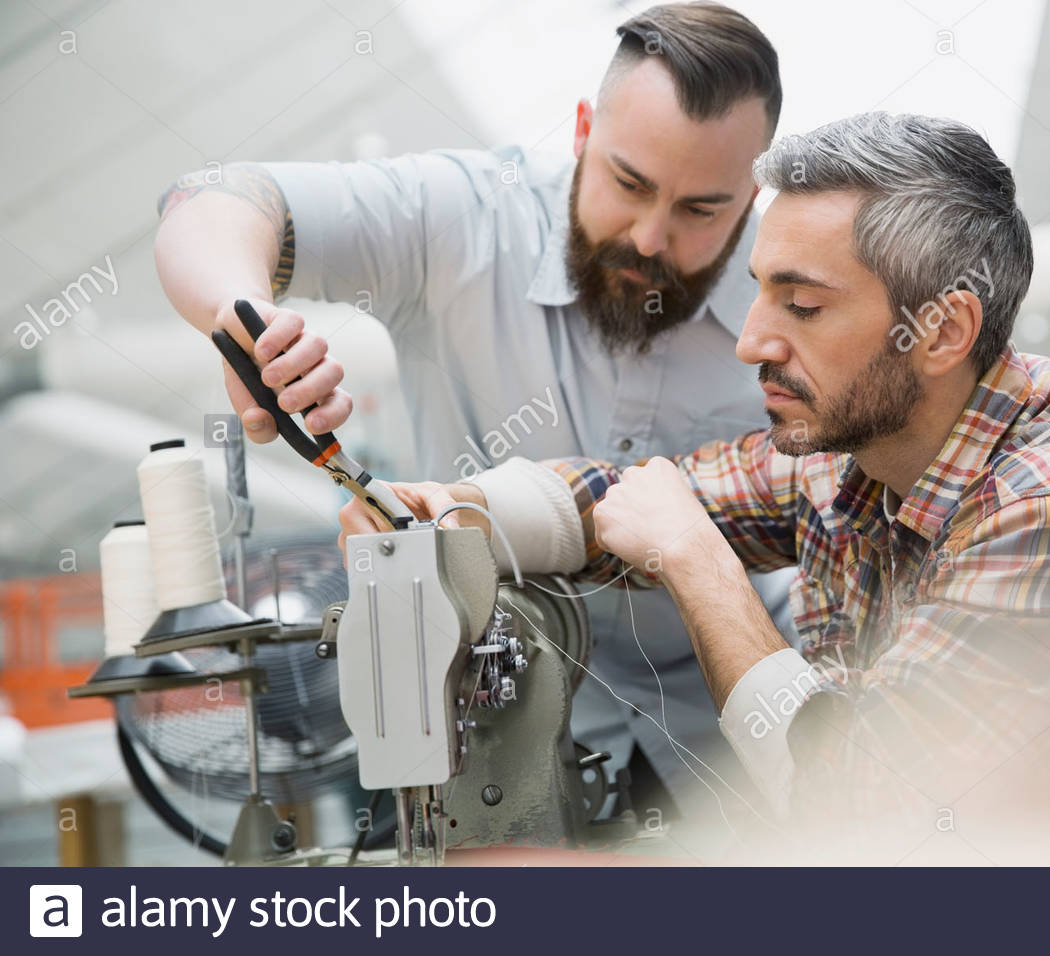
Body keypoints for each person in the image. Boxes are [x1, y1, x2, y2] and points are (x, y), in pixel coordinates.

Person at [343, 112, 1050, 862]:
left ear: (944, 330)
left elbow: (870, 809)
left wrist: (698, 565)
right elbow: (636, 494)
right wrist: (448, 508)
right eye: (758, 290)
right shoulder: (859, 448)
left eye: (802, 304)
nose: (752, 338)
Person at [153, 3, 795, 820]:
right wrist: (241, 315)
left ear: (756, 186)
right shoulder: (462, 217)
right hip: (478, 729)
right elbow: (209, 196)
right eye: (627, 182)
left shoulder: (794, 298)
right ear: (583, 129)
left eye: (702, 209)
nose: (648, 236)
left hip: (727, 744)